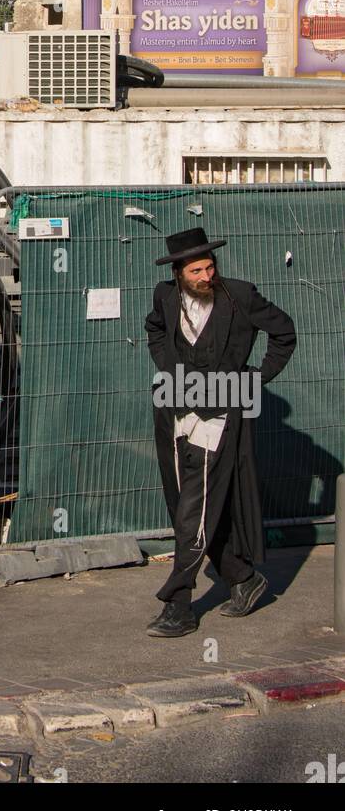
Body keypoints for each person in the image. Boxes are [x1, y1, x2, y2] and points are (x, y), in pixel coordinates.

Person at [144, 227, 296, 638]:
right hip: (176, 410)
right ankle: (243, 579)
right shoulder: (165, 296)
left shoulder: (239, 296)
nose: (206, 276)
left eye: (209, 267)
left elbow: (284, 332)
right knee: (185, 508)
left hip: (221, 416)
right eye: (196, 270)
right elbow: (154, 329)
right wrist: (169, 368)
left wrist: (256, 378)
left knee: (196, 508)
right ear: (179, 272)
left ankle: (178, 605)